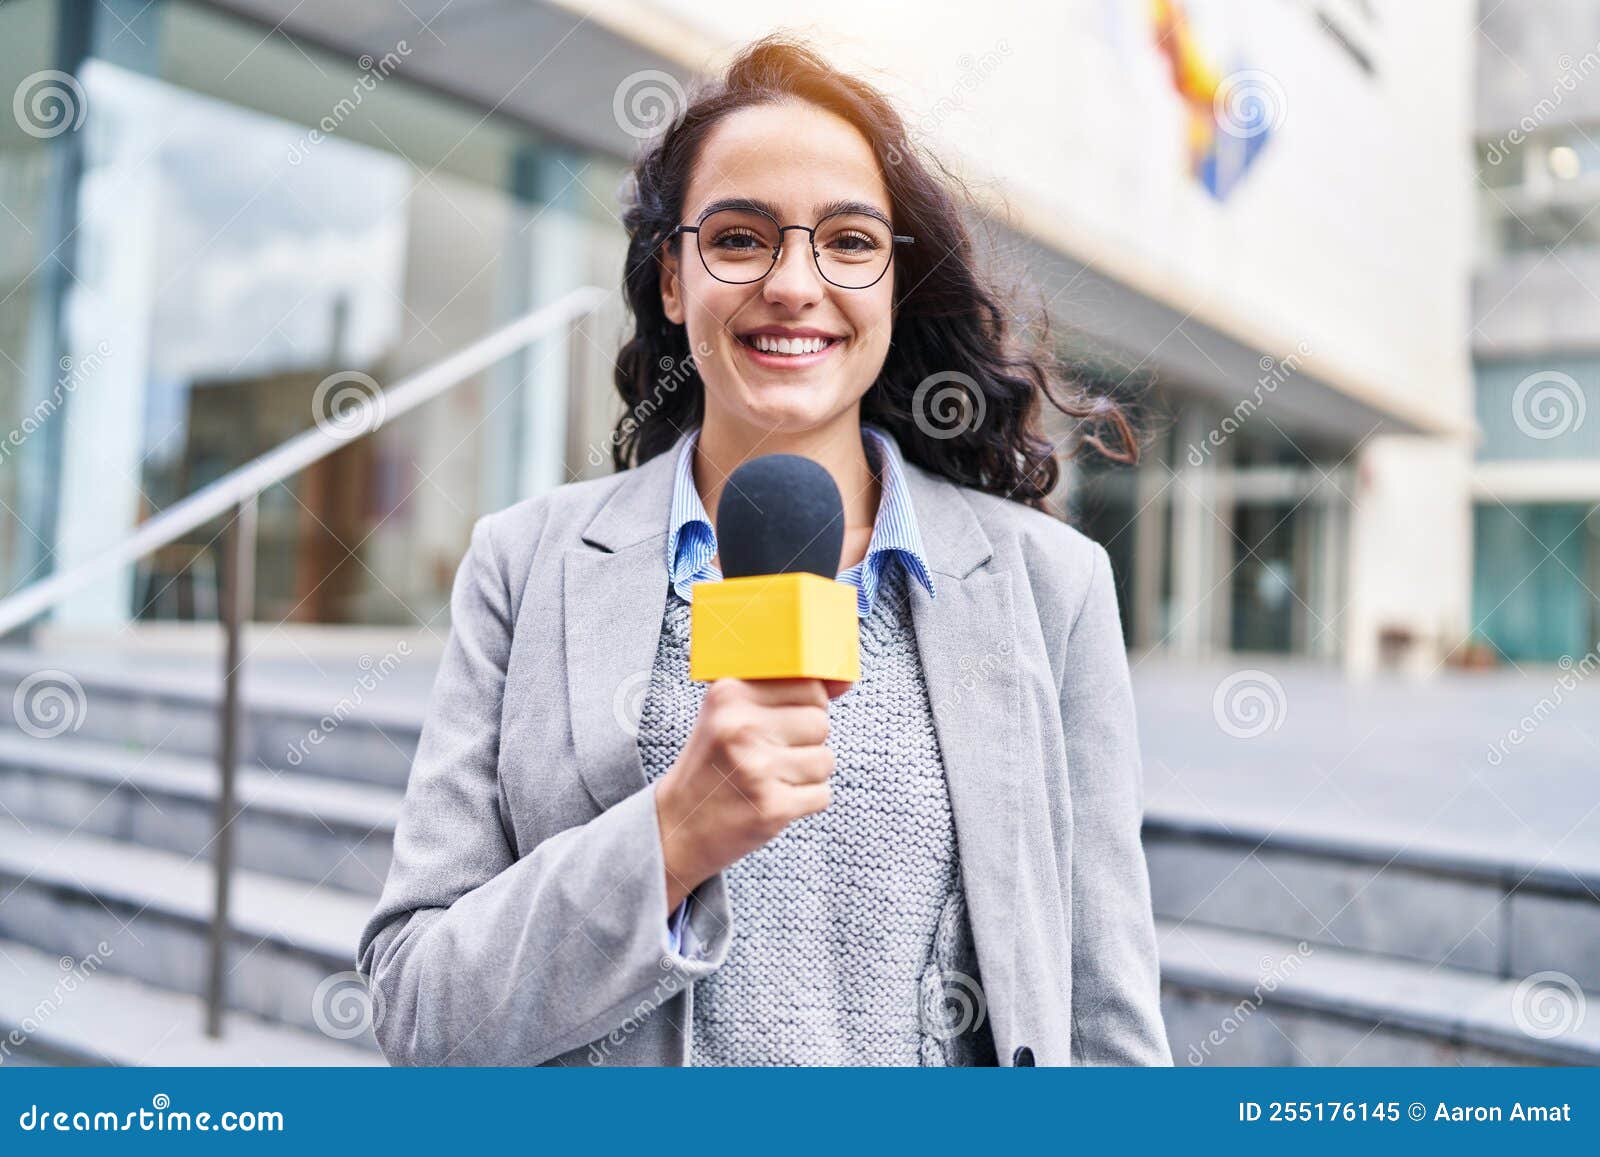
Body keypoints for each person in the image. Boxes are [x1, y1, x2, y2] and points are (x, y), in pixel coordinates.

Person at [357, 34, 1171, 1067]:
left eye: (846, 241)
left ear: (890, 285)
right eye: (740, 238)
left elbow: (1104, 1017)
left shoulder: (1050, 587)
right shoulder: (525, 564)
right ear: (669, 279)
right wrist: (670, 834)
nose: (794, 283)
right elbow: (419, 1011)